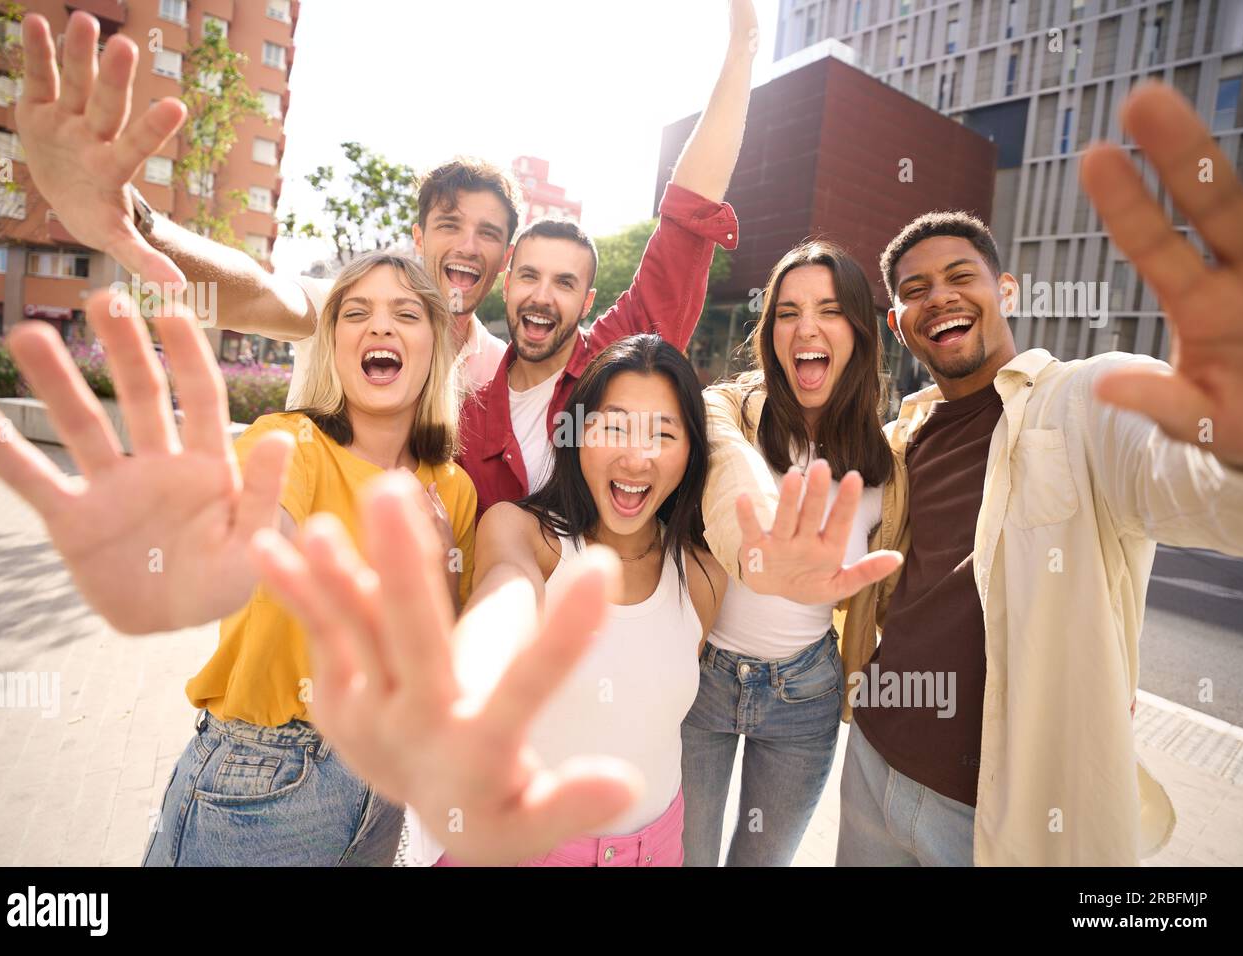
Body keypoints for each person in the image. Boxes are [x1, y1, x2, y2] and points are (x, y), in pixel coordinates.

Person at [714, 67, 1243, 866]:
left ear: (1006, 289)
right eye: (915, 290)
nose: (939, 297)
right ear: (897, 324)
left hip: (998, 818)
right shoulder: (899, 439)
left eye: (960, 277)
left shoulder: (1089, 398)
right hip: (870, 769)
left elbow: (1203, 493)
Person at [254, 334, 899, 865]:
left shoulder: (704, 576)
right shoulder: (524, 534)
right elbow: (506, 596)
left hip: (659, 849)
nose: (636, 457)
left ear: (691, 454)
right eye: (613, 427)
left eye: (663, 434)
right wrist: (466, 676)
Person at [0, 252, 477, 866]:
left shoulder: (454, 488)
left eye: (406, 314)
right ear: (333, 343)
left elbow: (443, 661)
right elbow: (256, 534)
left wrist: (440, 561)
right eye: (356, 312)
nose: (381, 326)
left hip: (385, 785)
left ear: (435, 344)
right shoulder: (290, 442)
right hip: (264, 779)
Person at [12, 12, 516, 398]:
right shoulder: (344, 308)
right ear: (420, 237)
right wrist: (138, 224)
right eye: (450, 225)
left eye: (489, 233)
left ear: (505, 257)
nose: (468, 245)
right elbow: (252, 295)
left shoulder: (504, 370)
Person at [458, 0, 758, 512]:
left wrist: (740, 51)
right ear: (506, 284)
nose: (542, 296)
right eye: (529, 276)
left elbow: (687, 217)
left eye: (565, 283)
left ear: (587, 301)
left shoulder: (615, 359)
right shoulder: (467, 414)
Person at [683, 239, 901, 866]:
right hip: (702, 679)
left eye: (829, 310)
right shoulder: (728, 415)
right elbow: (729, 469)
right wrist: (760, 554)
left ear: (859, 331)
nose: (806, 327)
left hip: (806, 696)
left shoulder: (885, 466)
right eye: (787, 312)